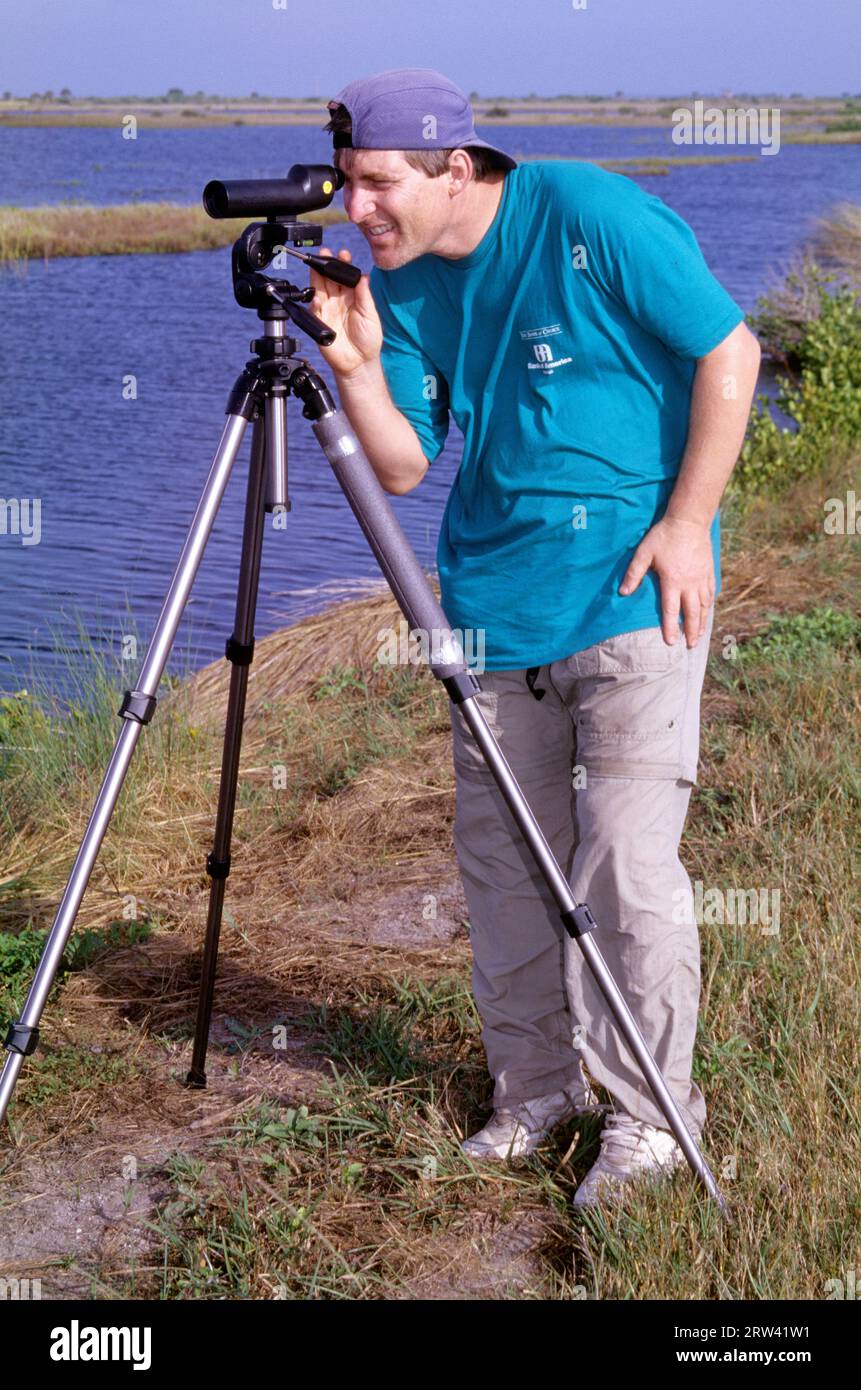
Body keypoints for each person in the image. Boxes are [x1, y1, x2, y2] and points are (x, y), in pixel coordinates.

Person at [308, 68, 761, 1208]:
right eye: (346, 185)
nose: (355, 210)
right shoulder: (399, 282)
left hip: (630, 597)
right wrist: (356, 360)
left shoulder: (590, 213)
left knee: (624, 866)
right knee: (507, 870)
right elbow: (406, 462)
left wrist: (692, 522)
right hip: (492, 613)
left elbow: (729, 352)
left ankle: (650, 1121)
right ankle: (536, 1093)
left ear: (455, 170)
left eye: (375, 184)